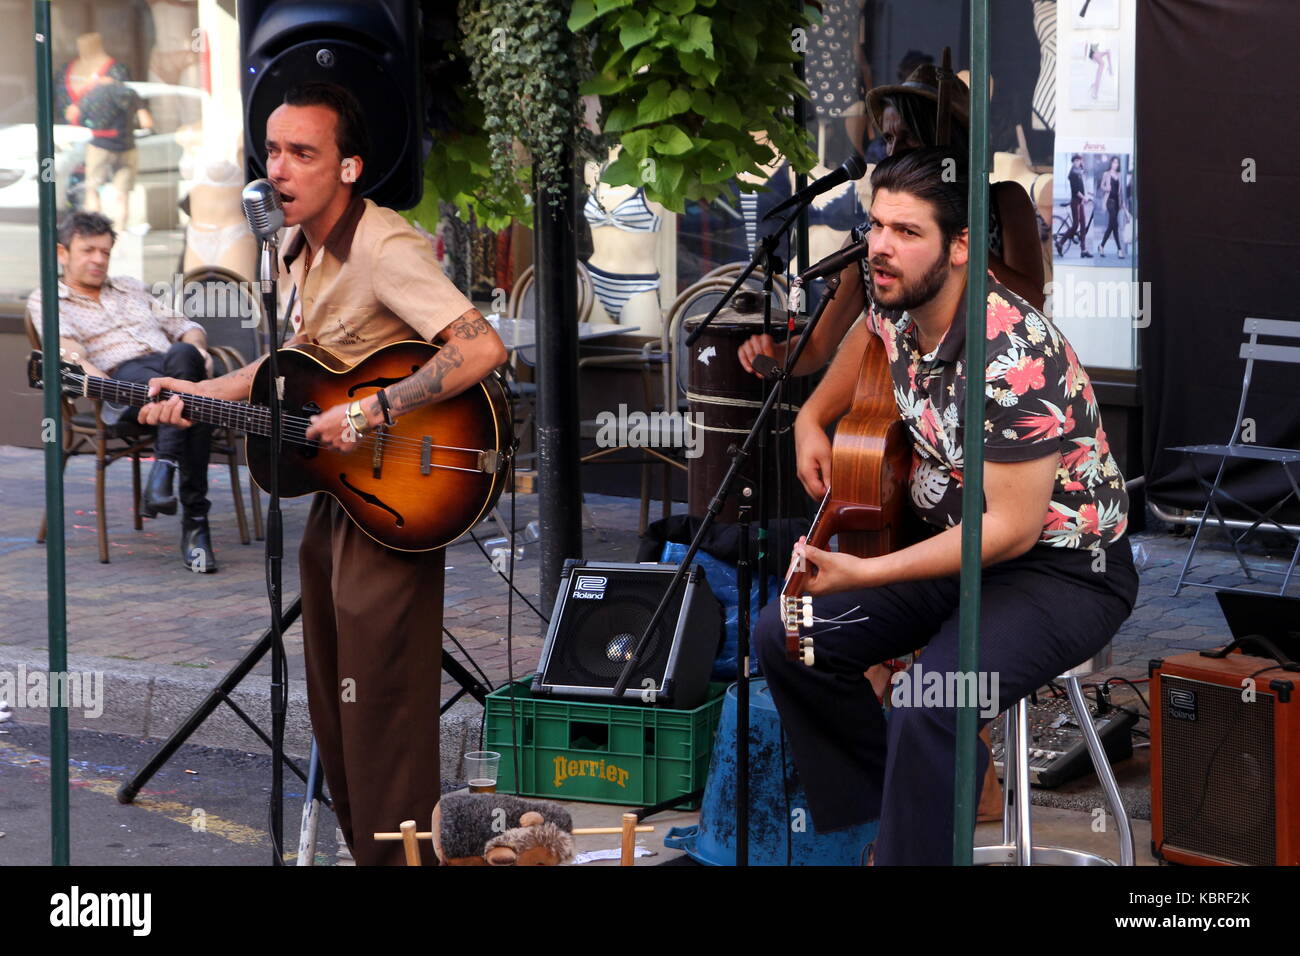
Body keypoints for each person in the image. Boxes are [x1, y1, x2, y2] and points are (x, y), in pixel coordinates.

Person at [136, 82, 508, 866]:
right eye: (272, 150)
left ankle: (400, 856)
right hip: (343, 494)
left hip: (406, 486)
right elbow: (290, 363)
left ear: (349, 167)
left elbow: (479, 347)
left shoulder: (384, 245)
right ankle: (363, 847)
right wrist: (199, 393)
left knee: (380, 702)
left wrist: (373, 412)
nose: (279, 169)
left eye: (302, 153)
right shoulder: (295, 247)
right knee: (333, 693)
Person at [753, 148, 1137, 865]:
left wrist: (864, 574)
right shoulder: (898, 304)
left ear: (960, 248)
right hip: (958, 551)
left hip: (1058, 571)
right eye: (876, 226)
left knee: (932, 701)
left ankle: (910, 836)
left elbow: (1010, 530)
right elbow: (868, 333)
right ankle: (899, 823)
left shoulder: (1014, 354)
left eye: (906, 231)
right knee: (789, 635)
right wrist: (813, 416)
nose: (880, 248)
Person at [736, 63, 1045, 381]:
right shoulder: (868, 240)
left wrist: (958, 232)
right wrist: (774, 354)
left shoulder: (1003, 201)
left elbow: (1032, 304)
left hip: (996, 395)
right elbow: (816, 347)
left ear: (945, 141)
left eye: (908, 138)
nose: (893, 150)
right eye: (888, 137)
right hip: (906, 414)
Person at [27, 211, 218, 571]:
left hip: (173, 371)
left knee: (184, 363)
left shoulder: (131, 287)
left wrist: (200, 352)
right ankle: (195, 524)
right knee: (197, 401)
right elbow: (74, 358)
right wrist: (110, 390)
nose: (99, 259)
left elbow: (186, 326)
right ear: (62, 252)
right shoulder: (49, 299)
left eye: (105, 252)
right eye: (88, 250)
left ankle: (165, 469)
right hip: (124, 386)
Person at [1061, 153, 1092, 259]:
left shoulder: (1079, 172)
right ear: (1073, 162)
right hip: (1075, 201)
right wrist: (1084, 198)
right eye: (1076, 161)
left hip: (1080, 201)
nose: (1078, 162)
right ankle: (1060, 242)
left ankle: (1084, 250)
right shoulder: (1072, 174)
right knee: (1076, 225)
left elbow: (1082, 187)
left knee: (1083, 224)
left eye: (1079, 160)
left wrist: (1085, 196)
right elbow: (1076, 190)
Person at [1097, 155, 1126, 258]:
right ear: (1111, 163)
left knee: (1113, 226)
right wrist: (1106, 188)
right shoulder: (1106, 174)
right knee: (1114, 224)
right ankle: (1119, 249)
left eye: (1117, 163)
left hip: (1117, 202)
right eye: (1114, 162)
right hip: (1109, 201)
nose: (1115, 164)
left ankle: (1101, 246)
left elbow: (1120, 190)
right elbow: (1101, 186)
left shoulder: (1120, 174)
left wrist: (1122, 203)